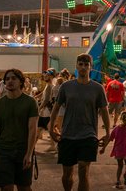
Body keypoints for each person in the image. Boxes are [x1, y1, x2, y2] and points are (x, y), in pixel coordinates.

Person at [49, 54, 110, 191]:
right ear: (76, 66)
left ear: (91, 67)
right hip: (68, 135)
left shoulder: (98, 88)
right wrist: (51, 128)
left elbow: (105, 112)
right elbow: (56, 107)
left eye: (86, 64)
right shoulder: (66, 86)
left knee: (83, 169)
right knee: (67, 174)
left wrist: (108, 133)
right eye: (80, 64)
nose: (83, 67)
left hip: (88, 135)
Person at [0, 68, 38, 191]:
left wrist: (29, 153)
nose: (10, 81)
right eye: (7, 79)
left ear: (21, 82)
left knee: (24, 187)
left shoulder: (30, 102)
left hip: (22, 151)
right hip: (3, 152)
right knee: (6, 187)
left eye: (14, 78)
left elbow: (33, 130)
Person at [99, 110, 126, 188]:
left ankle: (118, 181)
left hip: (118, 150)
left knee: (120, 166)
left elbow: (110, 138)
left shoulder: (116, 128)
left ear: (120, 118)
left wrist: (103, 148)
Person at [37, 69, 57, 150]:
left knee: (49, 129)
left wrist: (39, 108)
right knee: (40, 129)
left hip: (47, 112)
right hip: (46, 112)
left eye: (47, 75)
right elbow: (44, 95)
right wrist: (38, 96)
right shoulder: (49, 85)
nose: (45, 76)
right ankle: (54, 145)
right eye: (45, 75)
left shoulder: (49, 86)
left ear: (51, 76)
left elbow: (46, 100)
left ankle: (56, 145)